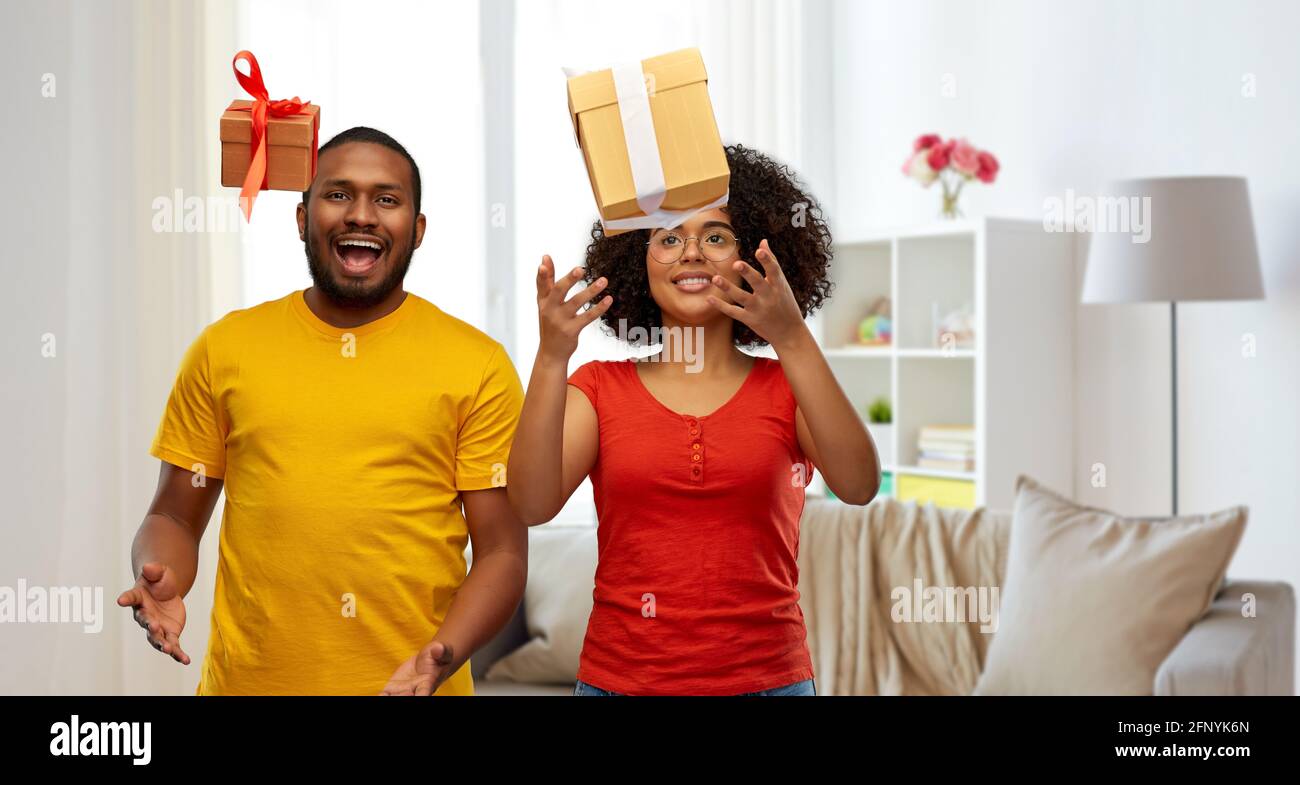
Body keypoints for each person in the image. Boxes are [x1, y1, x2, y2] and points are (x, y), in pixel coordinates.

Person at [117, 127, 526, 696]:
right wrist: (162, 576)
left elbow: (503, 551)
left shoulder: (477, 364)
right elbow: (174, 517)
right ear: (302, 218)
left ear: (419, 228)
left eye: (387, 199)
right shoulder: (225, 349)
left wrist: (441, 656)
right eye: (338, 195)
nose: (361, 214)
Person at [508, 144, 881, 696]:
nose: (691, 253)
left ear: (753, 259)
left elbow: (858, 485)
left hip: (769, 681)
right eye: (668, 238)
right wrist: (550, 357)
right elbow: (532, 504)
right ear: (639, 260)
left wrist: (793, 336)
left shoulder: (788, 388)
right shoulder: (596, 389)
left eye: (715, 236)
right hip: (621, 682)